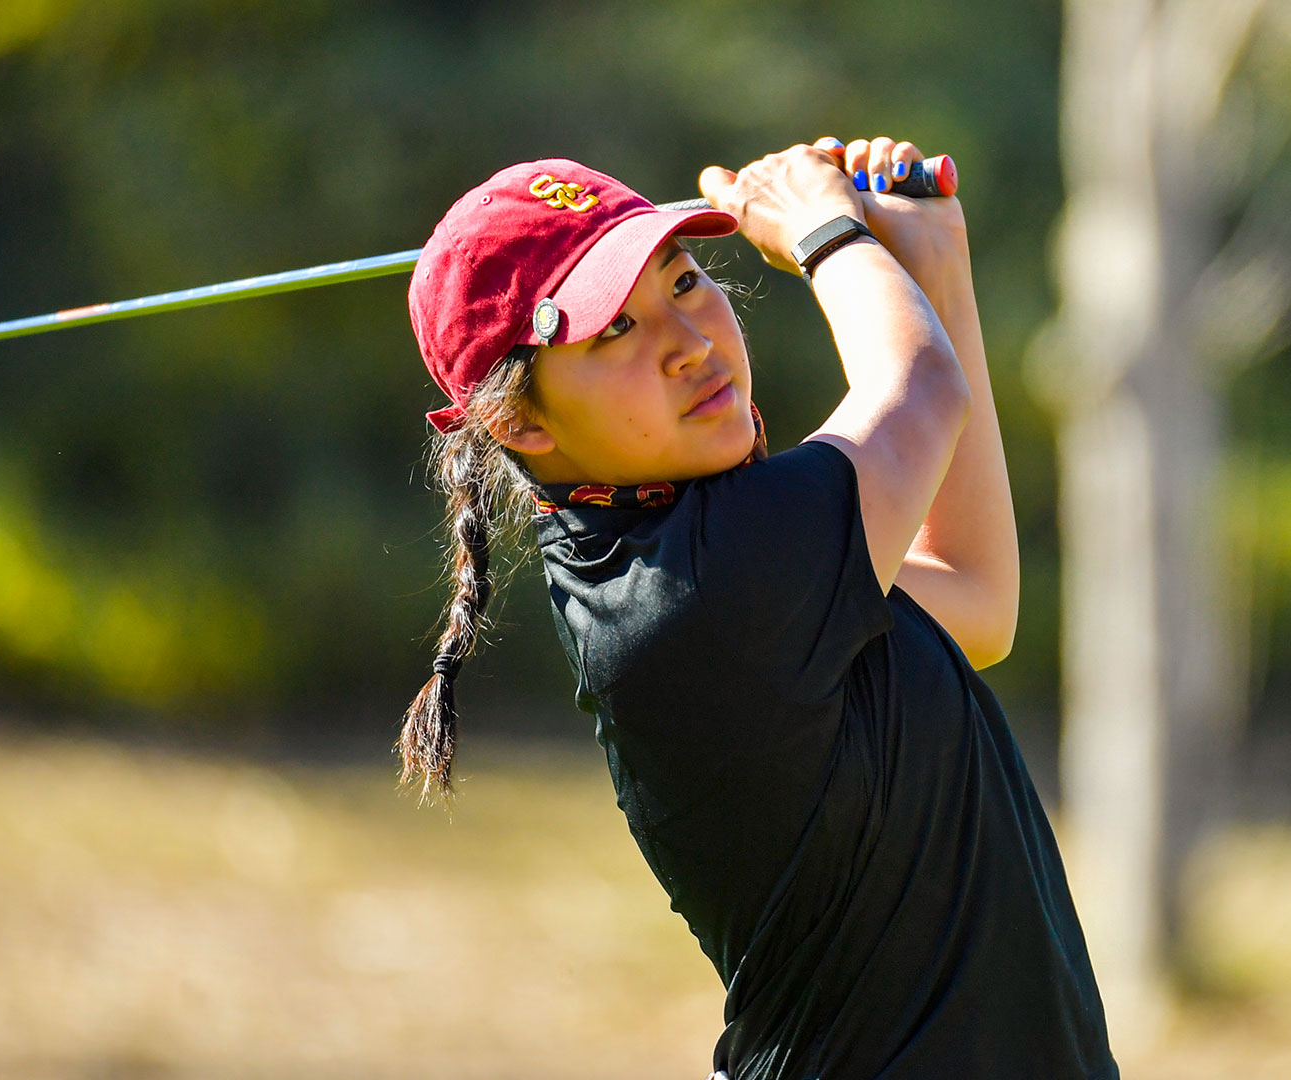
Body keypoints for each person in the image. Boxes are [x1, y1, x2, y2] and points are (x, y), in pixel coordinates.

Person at [399, 137, 1117, 1080]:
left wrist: (934, 262)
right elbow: (920, 389)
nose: (691, 344)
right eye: (616, 330)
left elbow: (973, 600)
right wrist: (824, 229)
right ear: (519, 421)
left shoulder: (669, 546)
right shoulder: (704, 581)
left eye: (684, 282)